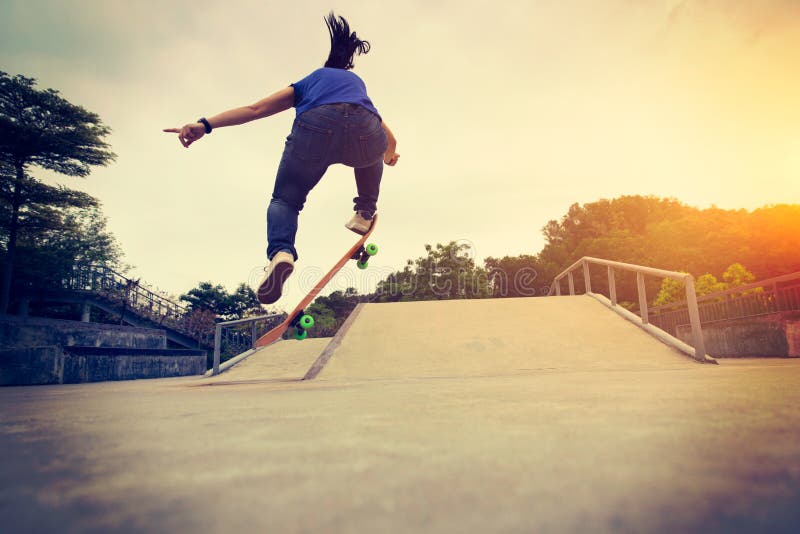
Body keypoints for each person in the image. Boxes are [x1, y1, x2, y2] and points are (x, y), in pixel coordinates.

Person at [164, 12, 399, 304]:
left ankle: (281, 253)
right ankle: (364, 212)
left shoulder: (311, 81)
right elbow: (389, 139)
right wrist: (388, 156)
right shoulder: (356, 86)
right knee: (374, 148)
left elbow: (255, 109)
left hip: (315, 128)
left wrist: (205, 125)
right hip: (366, 128)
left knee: (285, 201)